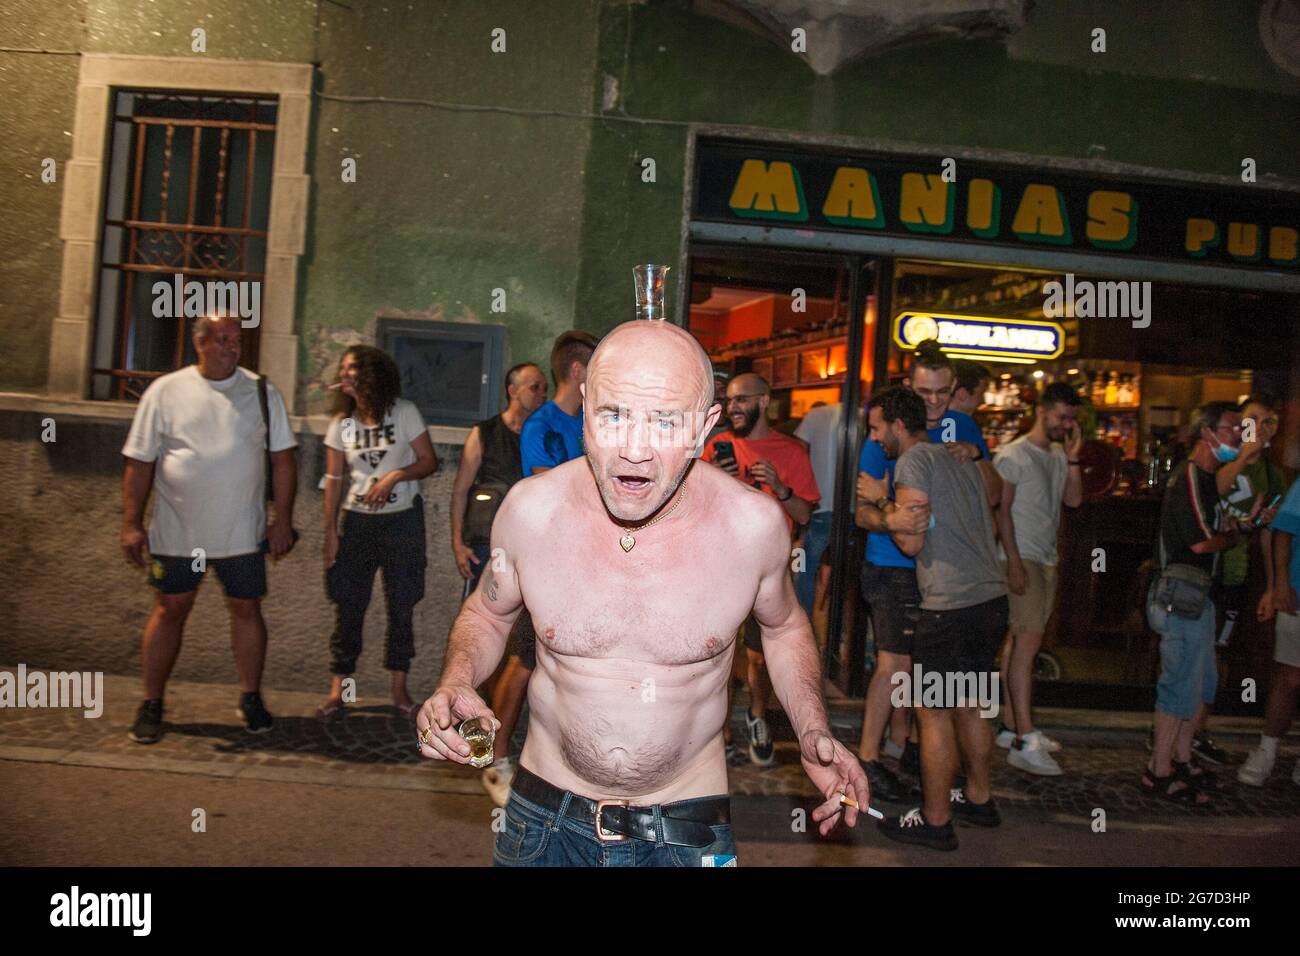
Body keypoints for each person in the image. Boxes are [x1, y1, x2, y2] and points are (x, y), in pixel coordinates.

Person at [416, 320, 869, 867]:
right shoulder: (531, 511)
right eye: (613, 415)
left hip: (686, 828)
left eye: (665, 422)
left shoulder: (751, 527)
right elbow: (487, 614)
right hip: (543, 819)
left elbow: (783, 625)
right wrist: (457, 680)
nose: (634, 449)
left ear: (705, 427)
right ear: (584, 406)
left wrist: (813, 726)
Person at [121, 314, 298, 743]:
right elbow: (140, 462)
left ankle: (251, 698)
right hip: (179, 533)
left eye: (237, 340)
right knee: (170, 610)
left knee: (246, 609)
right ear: (199, 343)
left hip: (241, 533)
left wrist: (284, 520)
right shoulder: (166, 391)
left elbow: (283, 460)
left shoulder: (260, 390)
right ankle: (152, 702)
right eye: (222, 339)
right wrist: (130, 523)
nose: (231, 347)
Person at [860, 387, 1008, 851]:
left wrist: (884, 502)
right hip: (990, 600)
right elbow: (995, 493)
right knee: (972, 706)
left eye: (876, 427)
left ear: (898, 426)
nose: (874, 436)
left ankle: (936, 819)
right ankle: (980, 799)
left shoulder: (913, 463)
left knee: (933, 714)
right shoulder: (957, 458)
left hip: (949, 605)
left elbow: (911, 540)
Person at [482, 332, 598, 805]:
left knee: (570, 665)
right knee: (525, 659)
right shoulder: (541, 424)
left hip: (588, 562)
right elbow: (543, 486)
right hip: (547, 561)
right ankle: (494, 756)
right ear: (576, 371)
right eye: (595, 367)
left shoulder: (590, 422)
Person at [702, 373, 820, 767]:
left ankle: (756, 714)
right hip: (718, 566)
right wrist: (721, 479)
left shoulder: (791, 451)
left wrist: (779, 487)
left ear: (765, 401)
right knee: (714, 650)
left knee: (759, 656)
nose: (733, 407)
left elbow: (803, 514)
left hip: (768, 569)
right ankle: (719, 729)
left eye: (741, 400)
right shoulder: (717, 447)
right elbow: (695, 508)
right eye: (729, 400)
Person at [318, 346, 438, 720]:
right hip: (357, 524)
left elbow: (428, 461)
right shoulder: (342, 424)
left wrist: (396, 475)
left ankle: (399, 692)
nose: (345, 374)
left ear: (372, 373)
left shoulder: (403, 412)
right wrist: (330, 533)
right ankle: (340, 691)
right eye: (343, 369)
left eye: (352, 367)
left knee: (401, 604)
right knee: (349, 605)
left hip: (401, 521)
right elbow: (335, 480)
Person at [1142, 401, 1248, 805]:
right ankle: (1159, 769)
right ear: (1207, 433)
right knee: (1179, 687)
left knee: (1198, 683)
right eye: (1232, 427)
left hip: (1195, 597)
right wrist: (1234, 537)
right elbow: (1202, 541)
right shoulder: (1189, 476)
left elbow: (1211, 532)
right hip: (1179, 598)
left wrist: (1237, 528)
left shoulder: (1204, 478)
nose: (1238, 434)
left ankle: (1181, 760)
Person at [1189, 394, 1286, 766]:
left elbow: (1266, 532)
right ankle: (1178, 732)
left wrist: (1272, 585)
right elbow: (1212, 491)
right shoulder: (1224, 459)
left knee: (1216, 654)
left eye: (1269, 421)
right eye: (1255, 420)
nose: (1263, 428)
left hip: (1234, 571)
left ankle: (1198, 730)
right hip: (1203, 570)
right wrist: (1245, 454)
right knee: (1195, 653)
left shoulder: (1273, 475)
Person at [992, 382, 1084, 775]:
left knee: (1020, 642)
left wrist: (1075, 460)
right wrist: (1011, 559)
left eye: (1072, 419)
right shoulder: (1013, 455)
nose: (1067, 424)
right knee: (1027, 647)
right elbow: (1001, 509)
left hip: (1046, 558)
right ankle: (1024, 737)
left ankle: (1011, 725)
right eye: (1062, 416)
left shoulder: (1060, 455)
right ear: (1042, 412)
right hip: (1022, 556)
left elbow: (1074, 501)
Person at [451, 362, 548, 596]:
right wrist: (458, 543)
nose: (543, 395)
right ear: (513, 391)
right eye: (535, 388)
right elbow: (460, 490)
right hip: (488, 543)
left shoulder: (545, 435)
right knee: (478, 620)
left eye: (545, 389)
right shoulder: (484, 433)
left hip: (530, 542)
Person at [1241, 474, 1300, 787]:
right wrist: (1280, 584)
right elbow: (1282, 533)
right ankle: (1267, 750)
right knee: (1290, 676)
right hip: (1298, 595)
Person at [794, 401, 842, 618]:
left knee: (804, 569)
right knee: (837, 570)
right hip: (848, 509)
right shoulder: (853, 416)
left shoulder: (814, 417)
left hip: (819, 509)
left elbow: (798, 453)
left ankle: (803, 623)